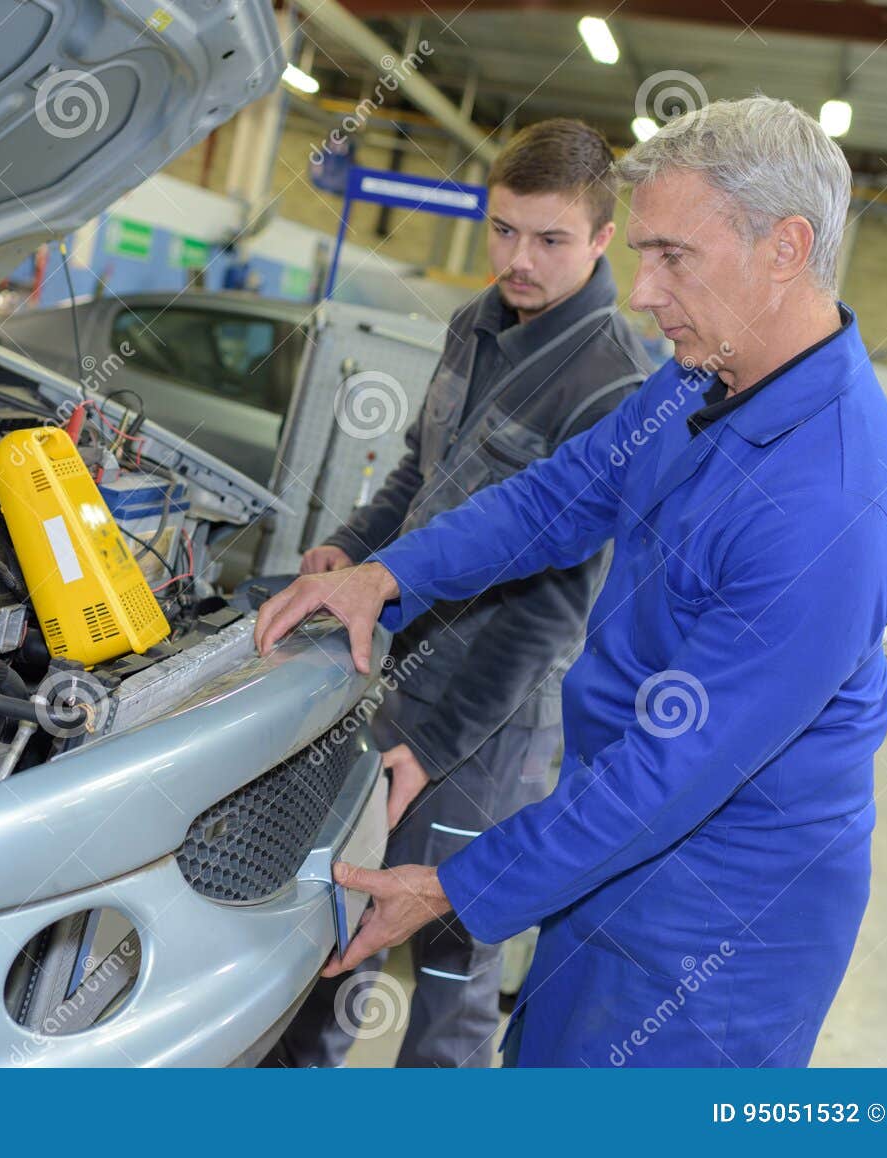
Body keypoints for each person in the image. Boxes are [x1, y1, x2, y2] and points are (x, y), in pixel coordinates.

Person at [255, 96, 887, 1067]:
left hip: (713, 933)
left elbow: (675, 769)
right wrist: (386, 573)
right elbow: (553, 498)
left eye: (671, 257)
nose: (641, 293)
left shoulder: (834, 507)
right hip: (610, 857)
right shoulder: (703, 380)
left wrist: (453, 886)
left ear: (785, 247)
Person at [267, 118, 650, 1068]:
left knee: (449, 967)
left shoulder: (614, 384)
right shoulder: (474, 321)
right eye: (504, 230)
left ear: (603, 239)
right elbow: (417, 474)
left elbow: (549, 613)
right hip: (395, 678)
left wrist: (428, 746)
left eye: (551, 239)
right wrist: (349, 551)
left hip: (493, 725)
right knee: (343, 913)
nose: (519, 260)